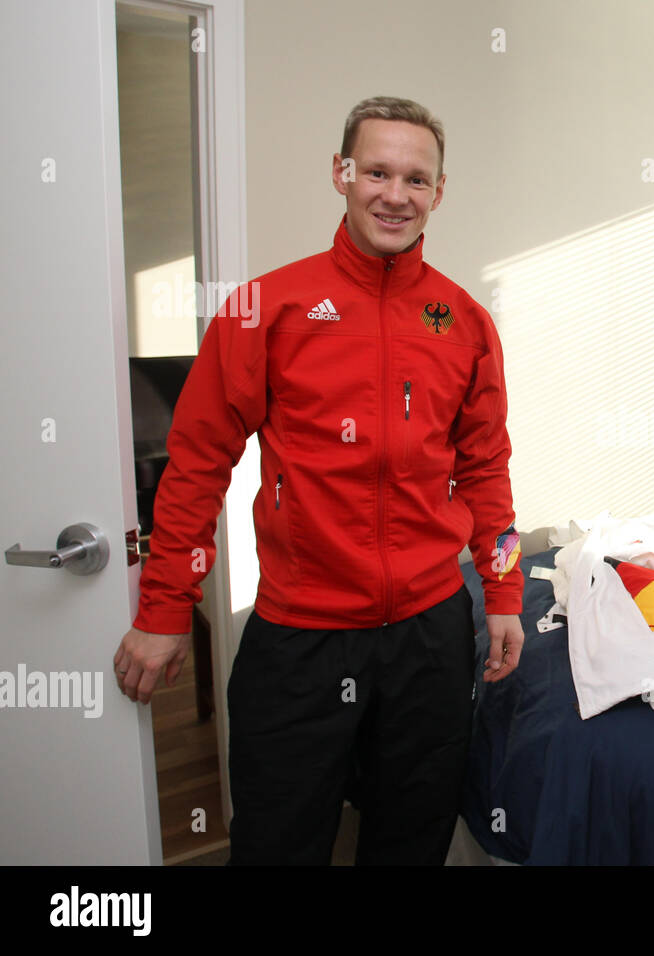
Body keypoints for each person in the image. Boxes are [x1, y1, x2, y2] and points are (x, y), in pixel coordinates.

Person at [112, 96, 525, 865]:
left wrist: (501, 595)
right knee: (275, 842)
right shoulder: (265, 310)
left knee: (411, 839)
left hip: (431, 635)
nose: (394, 194)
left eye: (415, 178)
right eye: (376, 171)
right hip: (301, 638)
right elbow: (197, 465)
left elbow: (486, 472)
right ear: (342, 174)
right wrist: (165, 607)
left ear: (439, 191)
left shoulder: (462, 321)